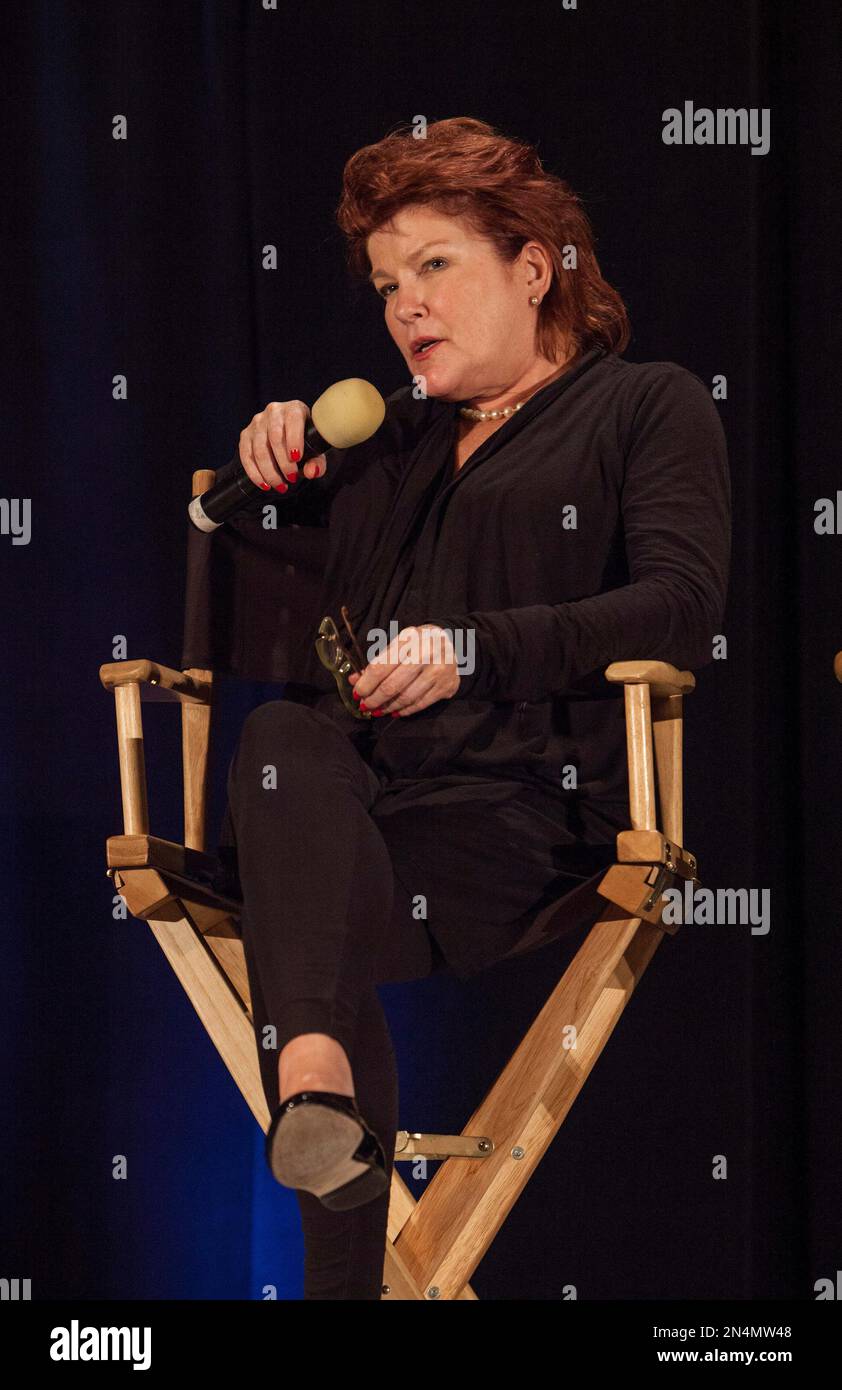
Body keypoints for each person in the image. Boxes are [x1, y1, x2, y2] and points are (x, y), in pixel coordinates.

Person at [211, 116, 731, 1299]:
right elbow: (272, 596)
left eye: (434, 265)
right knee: (285, 738)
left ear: (533, 264)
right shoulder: (393, 439)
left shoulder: (642, 406)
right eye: (388, 283)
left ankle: (335, 1224)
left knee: (305, 912)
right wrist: (267, 465)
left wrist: (473, 653)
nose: (403, 305)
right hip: (361, 808)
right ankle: (320, 1086)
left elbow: (677, 605)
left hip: (525, 810)